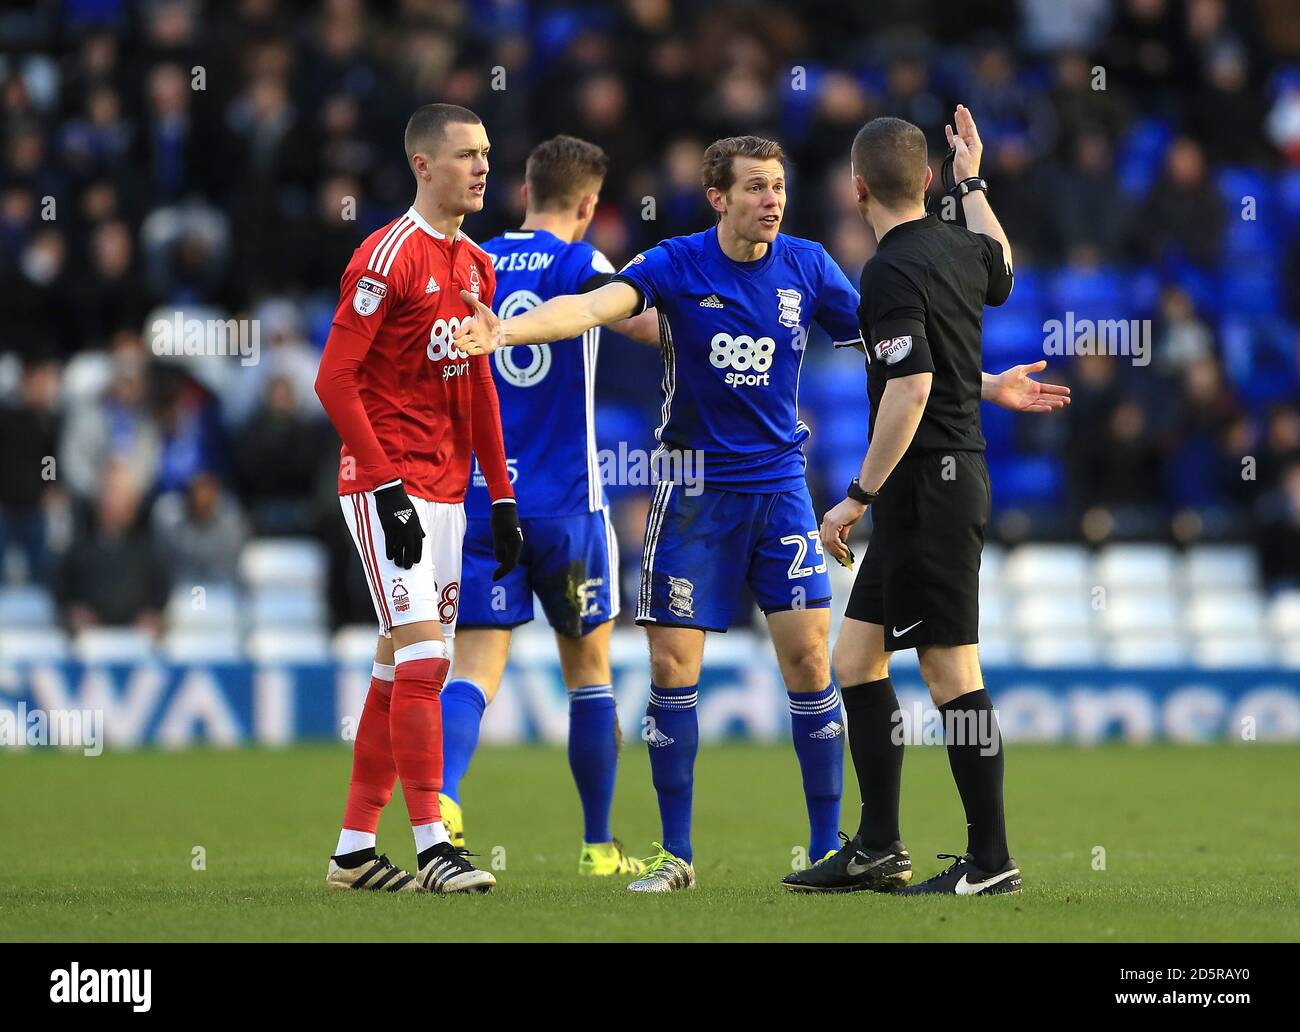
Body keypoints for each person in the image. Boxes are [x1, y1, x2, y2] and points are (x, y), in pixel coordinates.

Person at [456, 133, 871, 893]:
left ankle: (827, 850)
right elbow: (588, 307)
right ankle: (676, 856)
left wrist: (983, 380)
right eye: (754, 188)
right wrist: (505, 329)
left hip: (781, 490)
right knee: (671, 670)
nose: (771, 199)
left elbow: (894, 349)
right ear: (718, 198)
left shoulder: (809, 266)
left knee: (811, 664)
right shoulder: (674, 263)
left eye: (777, 186)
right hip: (692, 494)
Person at [784, 107, 1069, 896]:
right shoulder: (960, 245)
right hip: (938, 484)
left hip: (927, 489)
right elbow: (1003, 270)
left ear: (856, 188)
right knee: (855, 659)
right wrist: (974, 179)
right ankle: (878, 848)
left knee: (950, 671)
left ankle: (991, 861)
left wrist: (854, 497)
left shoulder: (888, 270)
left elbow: (908, 389)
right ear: (933, 180)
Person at [314, 103, 522, 895]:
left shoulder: (475, 266)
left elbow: (477, 385)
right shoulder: (384, 257)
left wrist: (499, 496)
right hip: (382, 484)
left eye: (488, 155)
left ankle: (353, 853)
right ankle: (436, 844)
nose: (482, 168)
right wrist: (388, 488)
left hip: (447, 491)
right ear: (423, 166)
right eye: (467, 155)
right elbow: (332, 380)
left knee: (394, 667)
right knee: (429, 660)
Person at [440, 135, 660, 876]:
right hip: (569, 504)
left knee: (472, 668)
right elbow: (644, 323)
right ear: (590, 205)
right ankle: (599, 848)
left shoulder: (475, 260)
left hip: (481, 500)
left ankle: (440, 807)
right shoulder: (586, 266)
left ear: (523, 190)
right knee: (590, 673)